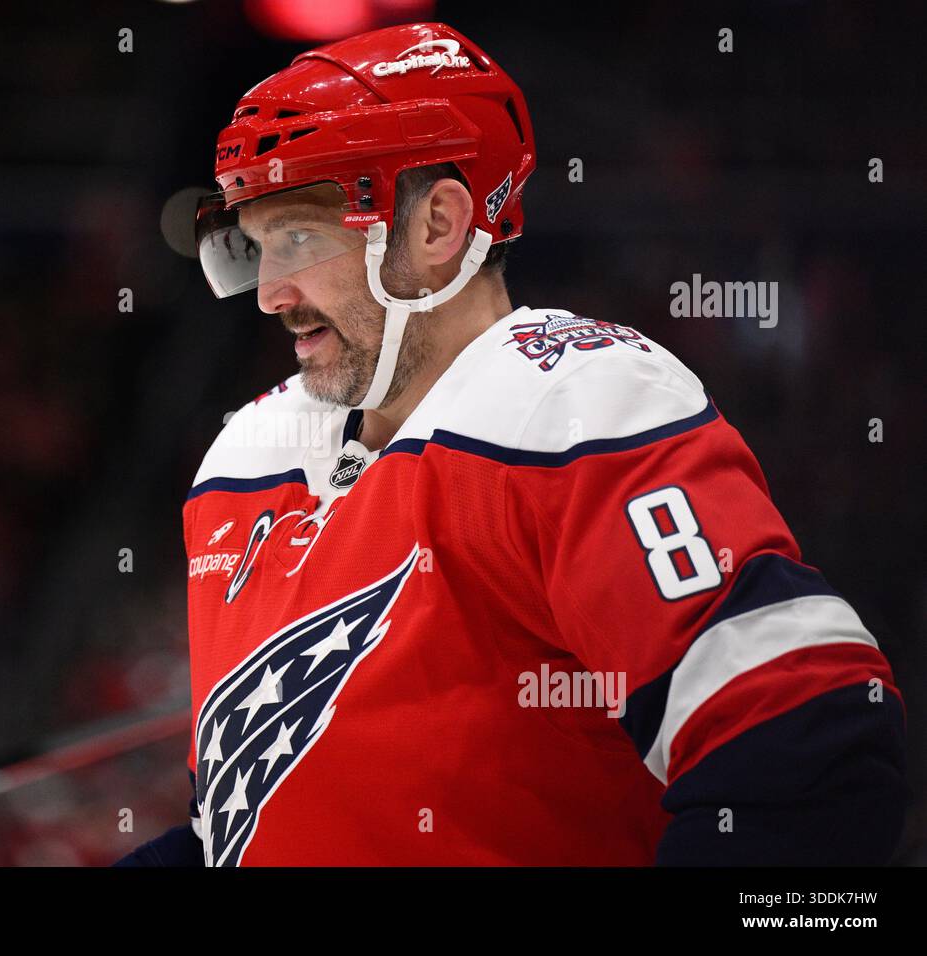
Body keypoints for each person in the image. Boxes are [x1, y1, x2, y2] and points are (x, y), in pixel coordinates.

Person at [117, 21, 907, 865]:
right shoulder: (246, 457)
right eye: (255, 243)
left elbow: (816, 749)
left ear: (437, 225)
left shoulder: (575, 407)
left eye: (301, 238)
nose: (271, 293)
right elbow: (247, 825)